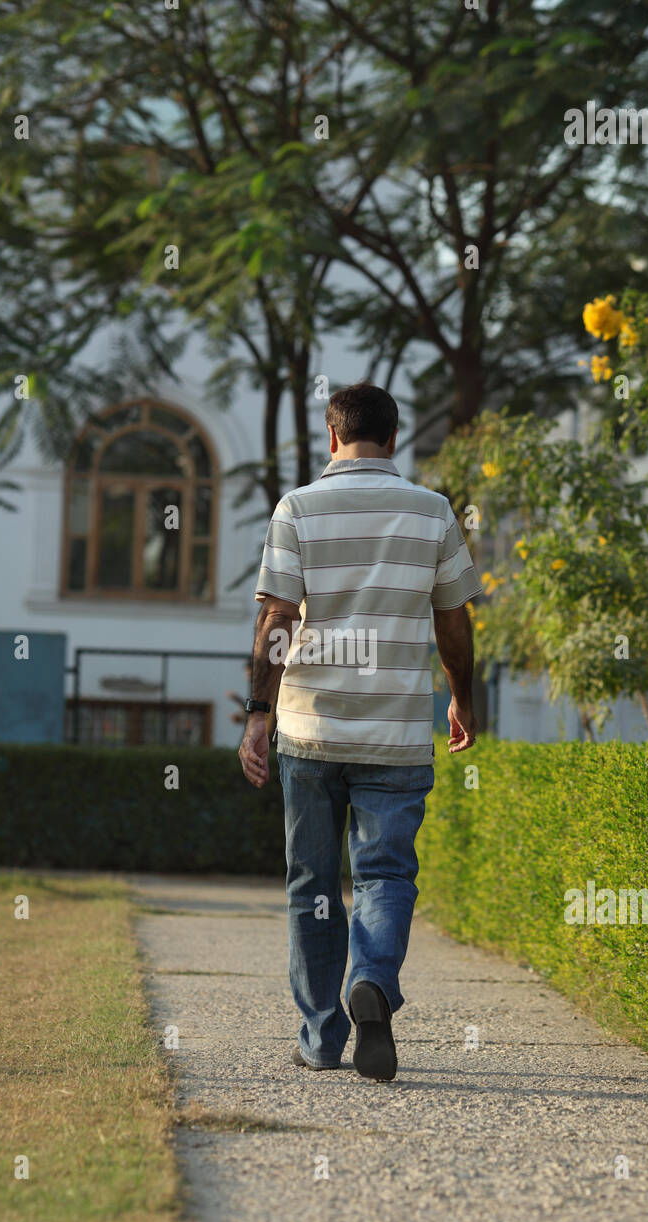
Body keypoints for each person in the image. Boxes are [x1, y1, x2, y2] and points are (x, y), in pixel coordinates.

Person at [238, 382, 482, 1081]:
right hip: (397, 733)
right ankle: (370, 980)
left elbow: (277, 617)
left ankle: (320, 1037)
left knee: (312, 880)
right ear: (395, 439)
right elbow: (453, 619)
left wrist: (259, 712)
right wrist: (461, 697)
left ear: (331, 433)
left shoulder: (298, 509)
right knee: (385, 873)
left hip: (310, 730)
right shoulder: (432, 512)